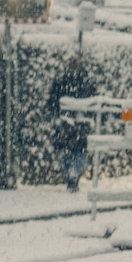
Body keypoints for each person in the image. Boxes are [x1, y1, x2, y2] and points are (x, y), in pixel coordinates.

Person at [47, 53, 98, 192]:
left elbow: (53, 101)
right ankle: (74, 174)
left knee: (71, 151)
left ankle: (72, 174)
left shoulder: (63, 81)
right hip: (78, 123)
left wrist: (59, 115)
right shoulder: (86, 82)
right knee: (78, 150)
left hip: (69, 123)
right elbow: (94, 101)